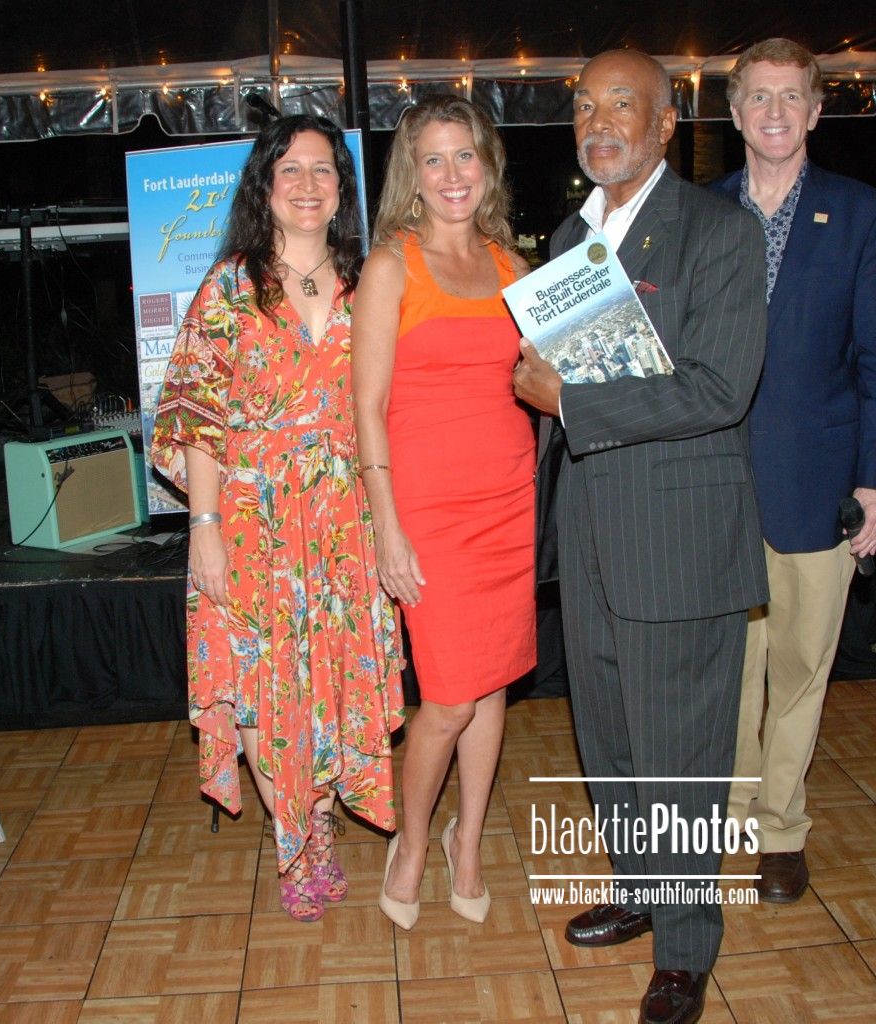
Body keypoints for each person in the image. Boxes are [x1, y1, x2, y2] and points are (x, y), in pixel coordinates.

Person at [513, 51, 768, 1023]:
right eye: (584, 105)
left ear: (666, 123)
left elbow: (718, 388)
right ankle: (640, 888)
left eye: (622, 103)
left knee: (680, 757)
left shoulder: (718, 231)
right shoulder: (569, 236)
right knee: (611, 738)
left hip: (677, 537)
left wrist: (568, 400)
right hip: (588, 527)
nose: (598, 121)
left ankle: (686, 947)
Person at [150, 115, 404, 923]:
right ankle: (297, 842)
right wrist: (203, 526)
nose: (306, 184)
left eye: (322, 169)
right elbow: (195, 412)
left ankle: (319, 823)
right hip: (252, 521)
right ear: (265, 186)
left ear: (342, 189)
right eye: (289, 169)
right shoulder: (231, 285)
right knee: (264, 686)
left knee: (332, 680)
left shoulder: (370, 282)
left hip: (346, 520)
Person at [352, 96, 535, 930]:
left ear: (487, 167)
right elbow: (367, 407)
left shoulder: (514, 268)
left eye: (467, 155)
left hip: (508, 500)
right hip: (428, 510)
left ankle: (468, 843)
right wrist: (386, 527)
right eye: (435, 158)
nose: (453, 173)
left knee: (490, 684)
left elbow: (547, 374)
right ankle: (415, 840)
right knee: (451, 697)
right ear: (413, 175)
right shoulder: (391, 266)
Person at [714, 39, 876, 903]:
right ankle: (731, 814)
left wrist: (873, 484)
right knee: (730, 674)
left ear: (815, 111)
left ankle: (780, 830)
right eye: (759, 96)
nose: (774, 112)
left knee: (803, 669)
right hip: (718, 488)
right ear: (734, 112)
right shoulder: (700, 212)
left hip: (820, 485)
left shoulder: (859, 212)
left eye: (791, 97)